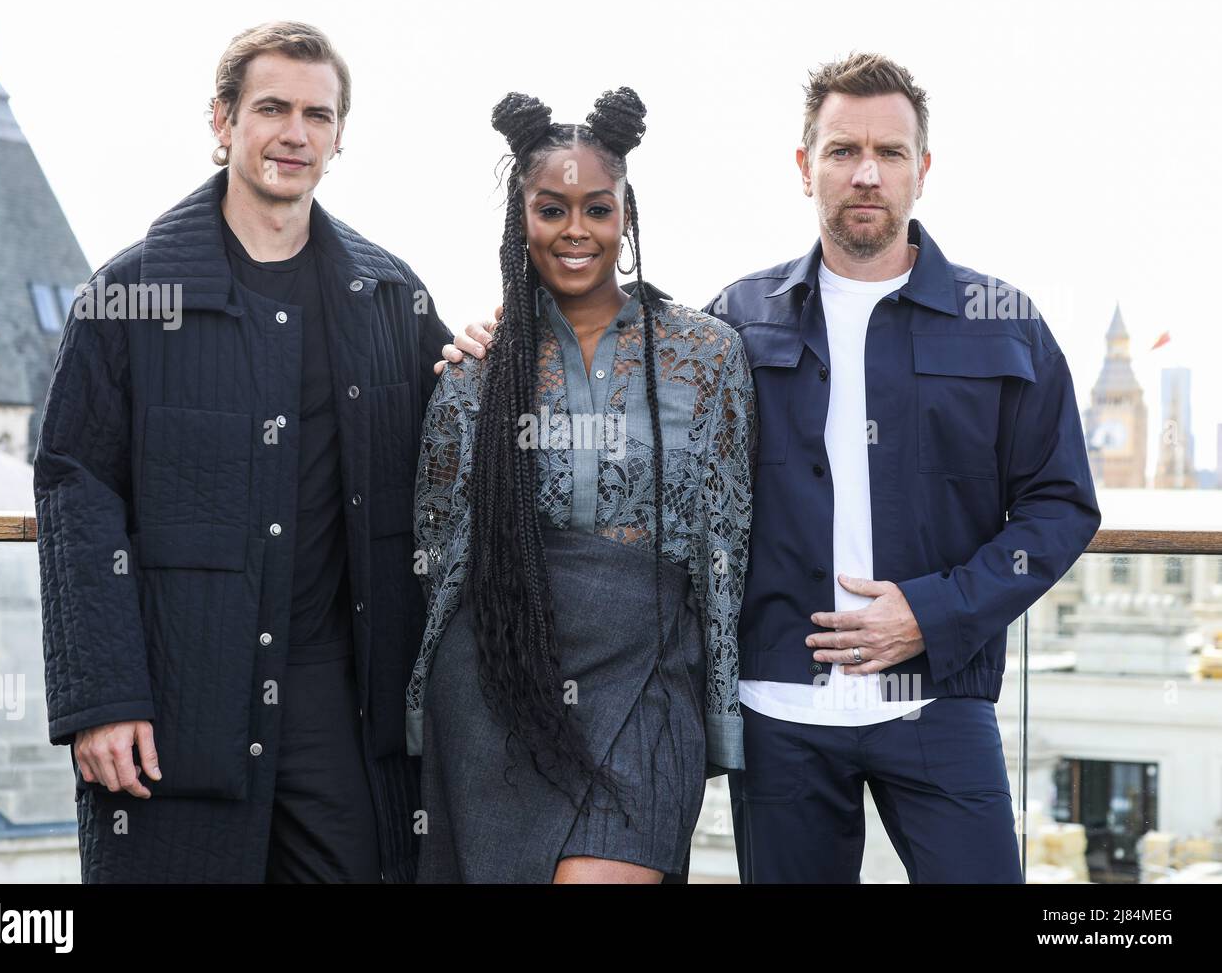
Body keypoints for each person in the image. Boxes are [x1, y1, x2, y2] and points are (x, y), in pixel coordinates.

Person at [438, 54, 1101, 883]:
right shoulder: (732, 323)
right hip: (779, 718)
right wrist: (505, 328)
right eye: (841, 149)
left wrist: (932, 614)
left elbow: (1061, 508)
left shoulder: (1002, 324)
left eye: (890, 153)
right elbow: (609, 340)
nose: (866, 173)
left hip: (936, 699)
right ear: (804, 166)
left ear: (922, 171)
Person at [34, 21, 450, 883]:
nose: (295, 133)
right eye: (271, 108)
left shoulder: (391, 298)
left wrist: (493, 349)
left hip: (340, 703)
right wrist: (102, 702)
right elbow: (76, 492)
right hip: (176, 696)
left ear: (339, 138)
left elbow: (462, 430)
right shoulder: (127, 297)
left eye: (317, 115)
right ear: (222, 122)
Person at [408, 88, 756, 884]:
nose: (575, 231)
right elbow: (440, 553)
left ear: (626, 217)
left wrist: (721, 714)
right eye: (550, 208)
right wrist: (421, 706)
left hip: (649, 676)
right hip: (500, 681)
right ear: (518, 219)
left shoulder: (708, 357)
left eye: (597, 209)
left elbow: (725, 547)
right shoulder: (475, 374)